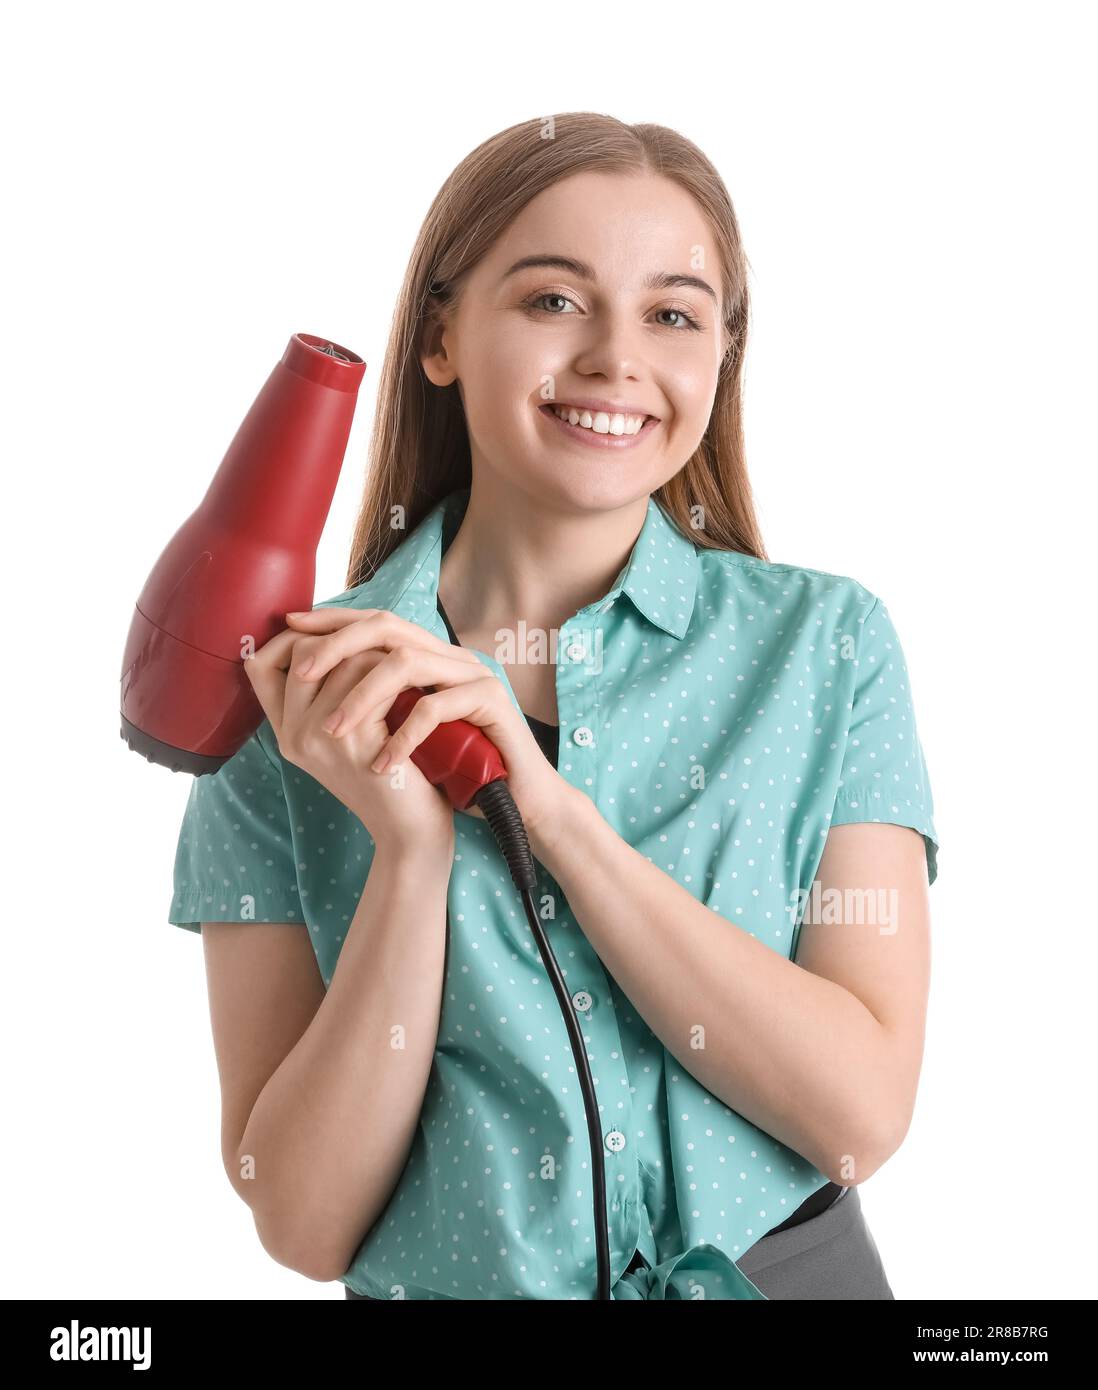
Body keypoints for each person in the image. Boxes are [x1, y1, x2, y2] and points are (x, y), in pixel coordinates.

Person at [167, 112, 939, 1301]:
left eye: (673, 314)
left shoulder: (828, 652)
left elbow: (860, 1115)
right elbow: (305, 1221)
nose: (616, 359)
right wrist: (410, 857)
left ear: (720, 356)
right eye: (553, 302)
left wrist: (553, 817)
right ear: (441, 336)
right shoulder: (286, 713)